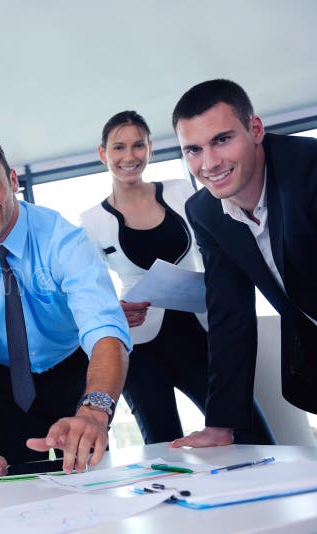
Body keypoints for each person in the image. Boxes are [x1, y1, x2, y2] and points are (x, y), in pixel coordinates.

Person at [0, 133, 131, 475]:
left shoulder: (63, 238)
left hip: (72, 369)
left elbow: (104, 327)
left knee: (89, 477)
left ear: (13, 180)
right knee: (13, 486)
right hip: (4, 381)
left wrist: (95, 411)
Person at [79, 111, 273, 445]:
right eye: (119, 147)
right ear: (103, 153)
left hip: (198, 331)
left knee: (249, 431)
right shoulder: (91, 220)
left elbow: (217, 246)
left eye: (138, 145)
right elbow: (89, 291)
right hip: (139, 343)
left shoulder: (181, 191)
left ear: (150, 148)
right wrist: (114, 309)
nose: (129, 156)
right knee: (161, 441)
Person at [171, 79, 317, 448]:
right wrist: (221, 424)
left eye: (222, 140)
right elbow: (229, 312)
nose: (209, 163)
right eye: (193, 149)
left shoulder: (310, 168)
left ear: (255, 129)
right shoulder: (205, 212)